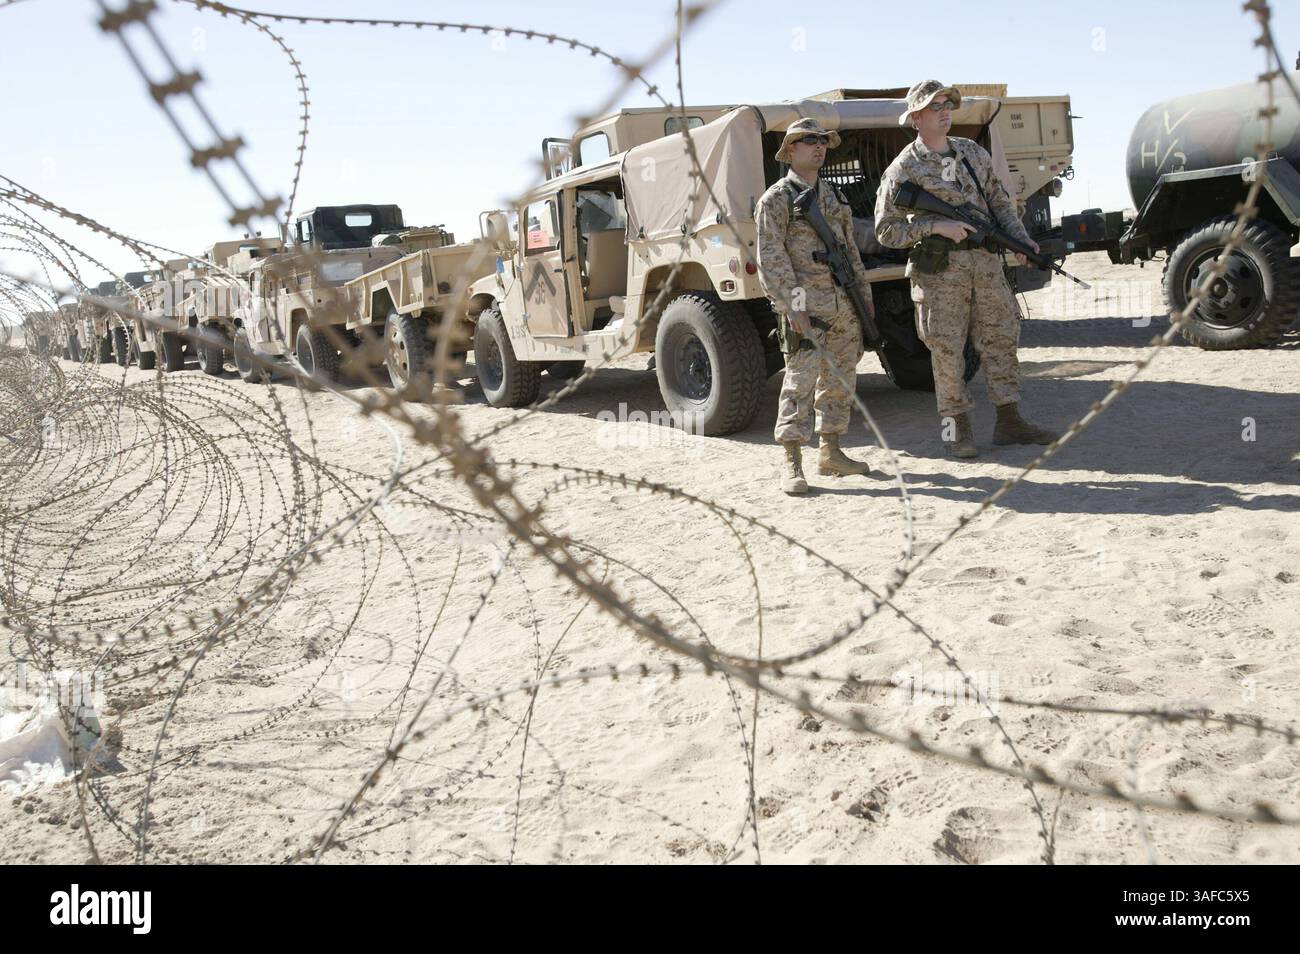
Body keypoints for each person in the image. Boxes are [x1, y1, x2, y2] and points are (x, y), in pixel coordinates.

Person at [874, 80, 1060, 458]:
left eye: (947, 104)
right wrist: (934, 226)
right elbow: (885, 231)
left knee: (1001, 339)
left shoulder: (972, 153)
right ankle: (957, 430)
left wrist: (1021, 242)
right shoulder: (903, 168)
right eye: (934, 106)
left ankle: (1010, 421)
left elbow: (1000, 204)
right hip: (939, 274)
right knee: (946, 350)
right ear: (915, 118)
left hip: (986, 266)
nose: (944, 111)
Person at [756, 117, 876, 496]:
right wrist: (793, 308)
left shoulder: (834, 198)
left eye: (823, 141)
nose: (819, 147)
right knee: (799, 383)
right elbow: (771, 257)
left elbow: (849, 251)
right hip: (804, 307)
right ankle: (792, 462)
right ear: (790, 150)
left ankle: (832, 452)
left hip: (843, 304)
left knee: (841, 381)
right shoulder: (775, 200)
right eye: (809, 141)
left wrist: (864, 298)